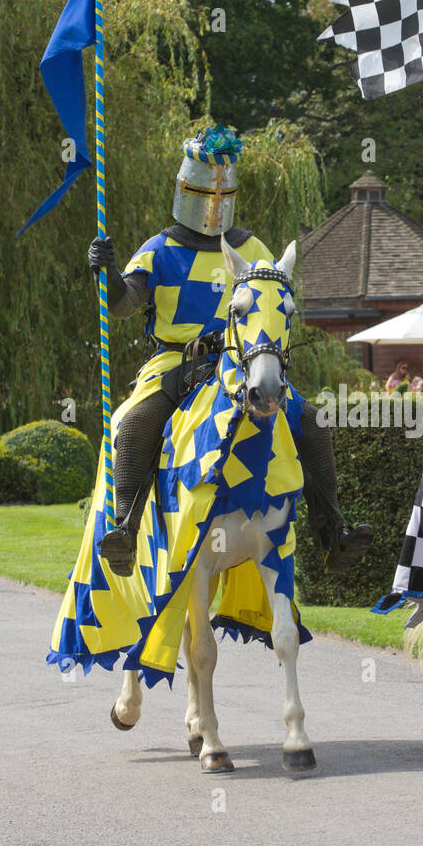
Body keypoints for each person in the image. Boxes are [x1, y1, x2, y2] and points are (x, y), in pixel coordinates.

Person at [87, 124, 372, 576]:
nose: (213, 204)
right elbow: (123, 305)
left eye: (222, 195)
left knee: (313, 421)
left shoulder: (251, 247)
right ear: (185, 189)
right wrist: (108, 275)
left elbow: (273, 301)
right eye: (203, 193)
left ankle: (332, 530)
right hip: (176, 360)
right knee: (138, 421)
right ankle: (124, 527)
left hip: (241, 358)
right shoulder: (159, 249)